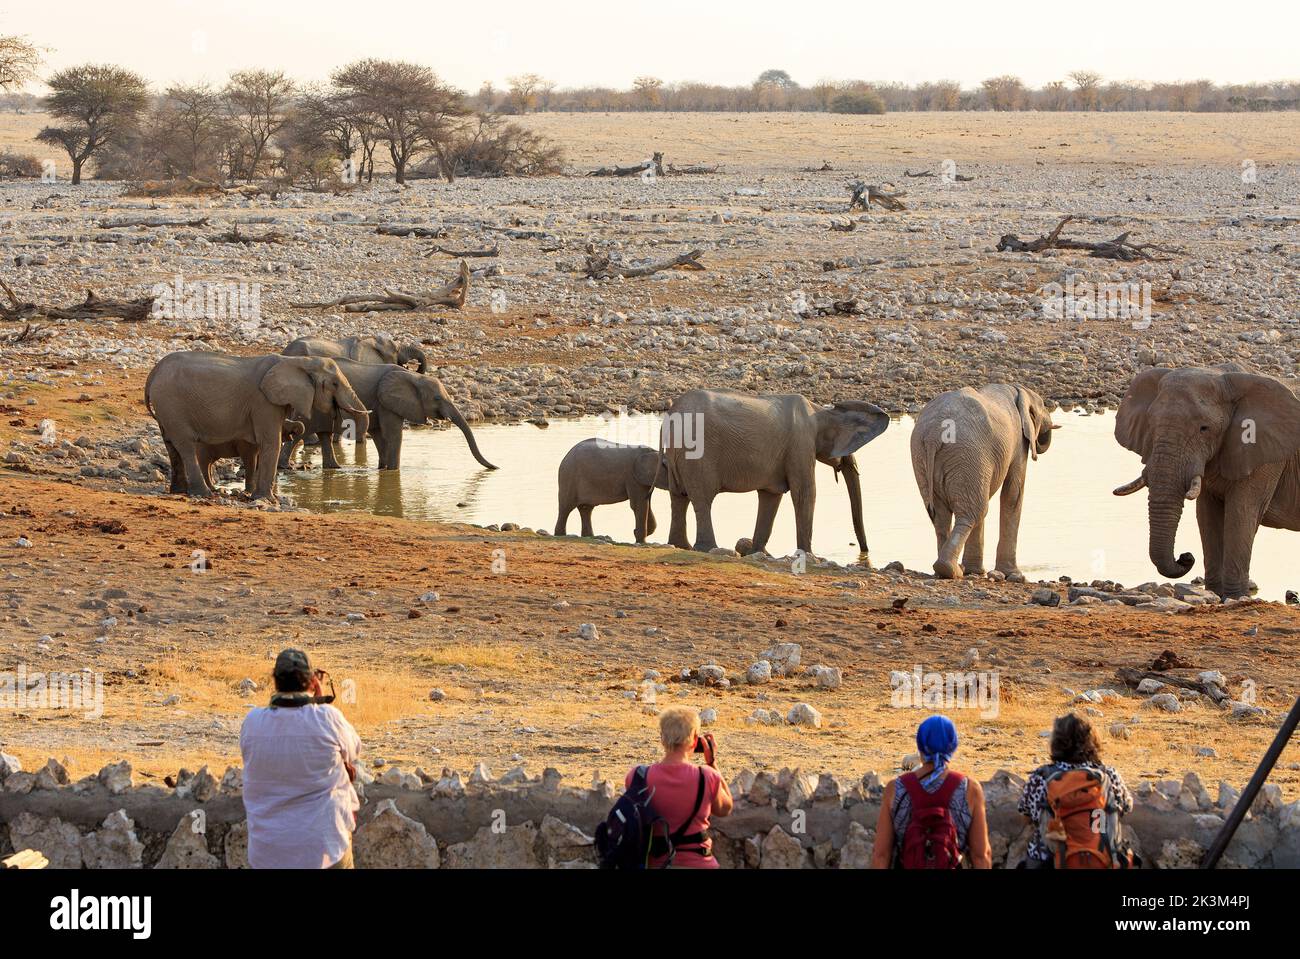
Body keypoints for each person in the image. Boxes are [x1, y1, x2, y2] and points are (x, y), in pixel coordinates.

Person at [239, 648, 360, 869]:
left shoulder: (252, 722)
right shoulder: (327, 718)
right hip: (325, 850)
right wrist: (320, 703)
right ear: (313, 681)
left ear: (275, 680)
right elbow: (352, 751)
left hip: (268, 854)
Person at [1017, 712, 1135, 868]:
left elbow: (1025, 814)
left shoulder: (1041, 777)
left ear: (1056, 742)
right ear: (1092, 742)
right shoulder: (1108, 775)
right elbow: (1126, 808)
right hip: (1102, 860)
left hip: (1049, 862)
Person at [873, 714, 991, 869]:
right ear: (953, 745)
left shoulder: (895, 788)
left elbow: (881, 855)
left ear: (920, 745)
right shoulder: (969, 789)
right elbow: (981, 856)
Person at [624, 706, 733, 868]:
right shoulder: (707, 776)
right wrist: (712, 762)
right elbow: (725, 809)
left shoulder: (637, 777)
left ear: (662, 738)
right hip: (700, 863)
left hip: (657, 864)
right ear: (695, 740)